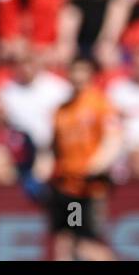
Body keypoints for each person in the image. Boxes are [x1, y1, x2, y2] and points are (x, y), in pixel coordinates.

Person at [46, 58, 119, 261]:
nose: (77, 76)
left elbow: (113, 138)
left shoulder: (100, 104)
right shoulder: (62, 111)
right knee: (67, 240)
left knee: (87, 242)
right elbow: (54, 147)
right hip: (68, 188)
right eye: (74, 71)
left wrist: (97, 165)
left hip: (90, 189)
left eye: (82, 71)